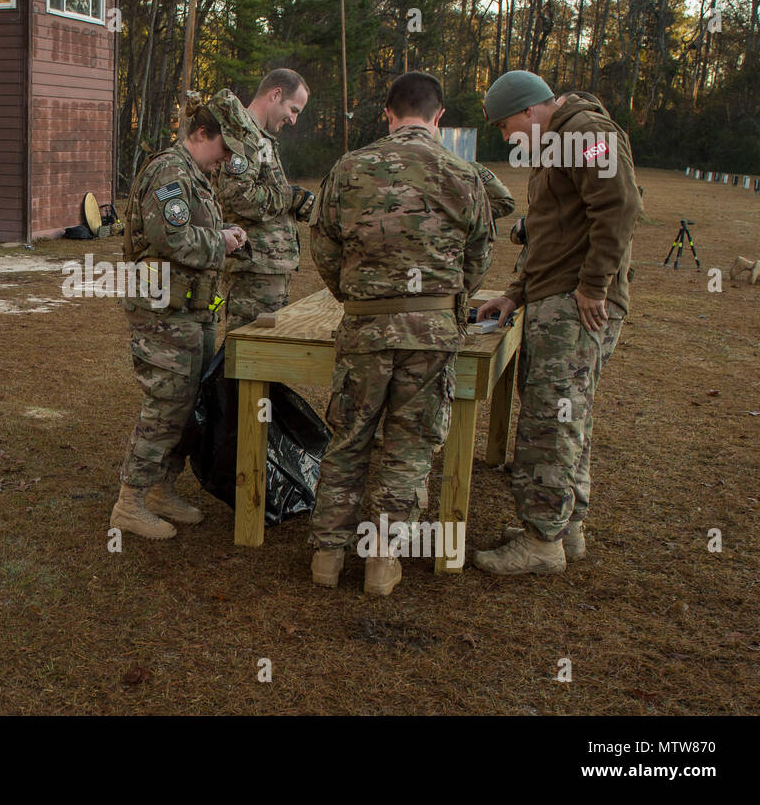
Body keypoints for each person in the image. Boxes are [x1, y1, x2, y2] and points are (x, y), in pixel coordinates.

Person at [308, 72, 493, 594]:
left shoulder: (349, 168)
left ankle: (326, 557)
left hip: (366, 325)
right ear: (439, 117)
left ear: (387, 114)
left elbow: (323, 246)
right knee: (409, 446)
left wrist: (357, 297)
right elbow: (478, 256)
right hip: (431, 332)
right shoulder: (464, 172)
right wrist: (447, 303)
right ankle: (382, 563)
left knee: (349, 439)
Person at [473, 70, 642, 575]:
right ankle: (565, 526)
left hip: (574, 305)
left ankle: (541, 542)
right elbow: (551, 231)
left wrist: (592, 287)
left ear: (530, 111)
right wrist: (516, 293)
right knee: (571, 417)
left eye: (506, 127)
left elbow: (619, 207)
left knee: (551, 421)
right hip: (556, 298)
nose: (507, 139)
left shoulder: (584, 135)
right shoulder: (559, 143)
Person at [113, 95, 248, 539]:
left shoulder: (197, 175)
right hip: (163, 315)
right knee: (166, 407)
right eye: (224, 149)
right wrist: (221, 242)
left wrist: (223, 234)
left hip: (192, 311)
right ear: (202, 134)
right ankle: (129, 503)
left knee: (189, 406)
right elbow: (171, 239)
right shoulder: (170, 171)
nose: (227, 159)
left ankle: (161, 490)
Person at [214, 69, 314, 335]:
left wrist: (293, 200)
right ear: (275, 94)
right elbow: (238, 196)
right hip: (254, 271)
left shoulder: (259, 137)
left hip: (267, 268)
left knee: (265, 356)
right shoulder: (244, 136)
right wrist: (290, 198)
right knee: (248, 357)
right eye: (293, 110)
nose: (293, 120)